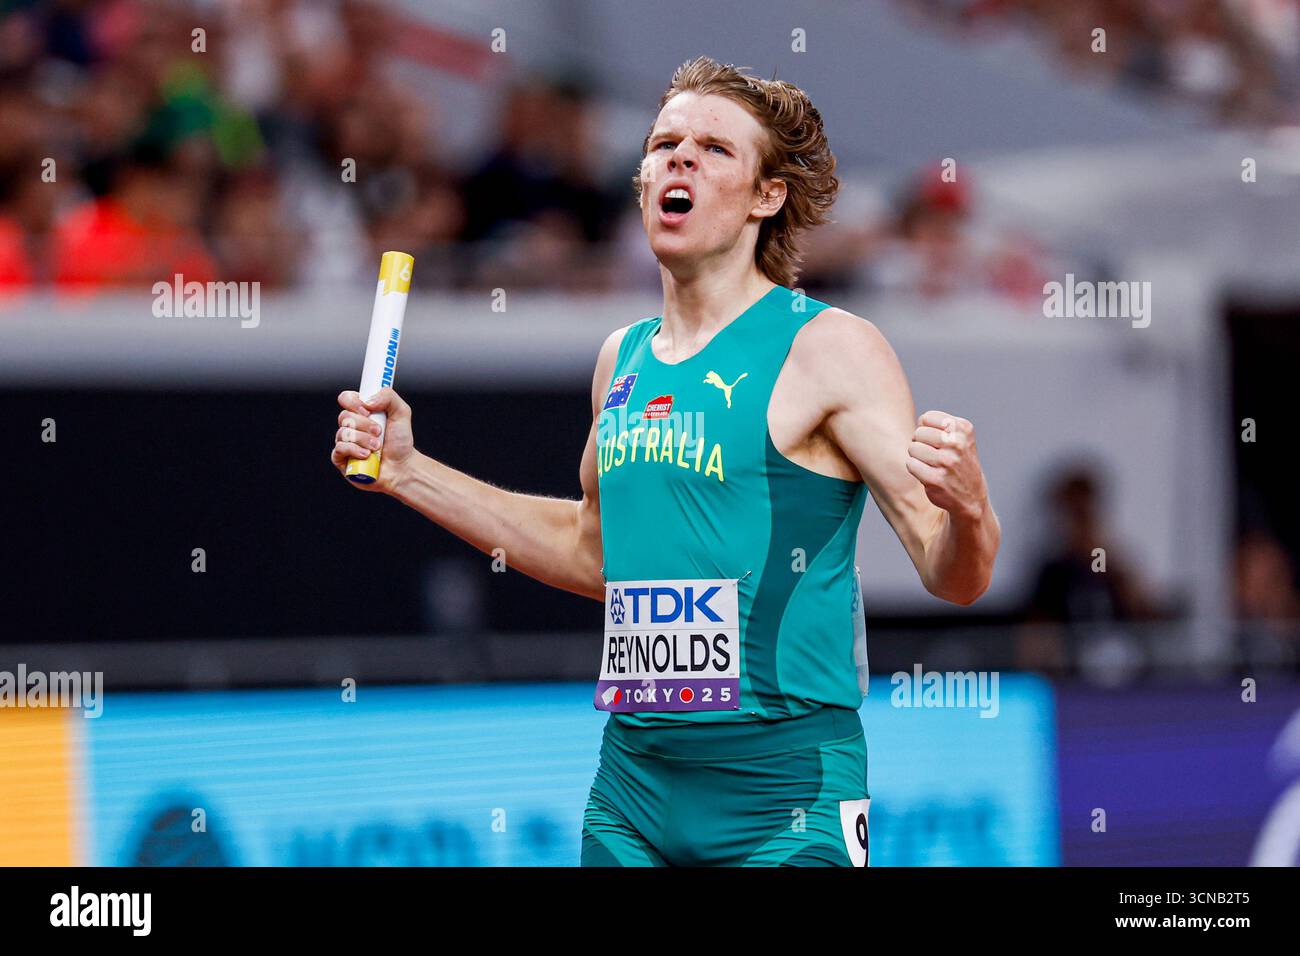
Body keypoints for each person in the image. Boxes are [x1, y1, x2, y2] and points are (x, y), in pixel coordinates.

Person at [331, 57, 1000, 866]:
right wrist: (408, 471)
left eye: (714, 148)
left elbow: (953, 574)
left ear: (767, 196)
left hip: (785, 790)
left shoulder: (829, 349)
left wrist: (968, 508)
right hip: (634, 788)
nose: (678, 158)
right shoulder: (622, 360)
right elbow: (593, 551)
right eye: (664, 143)